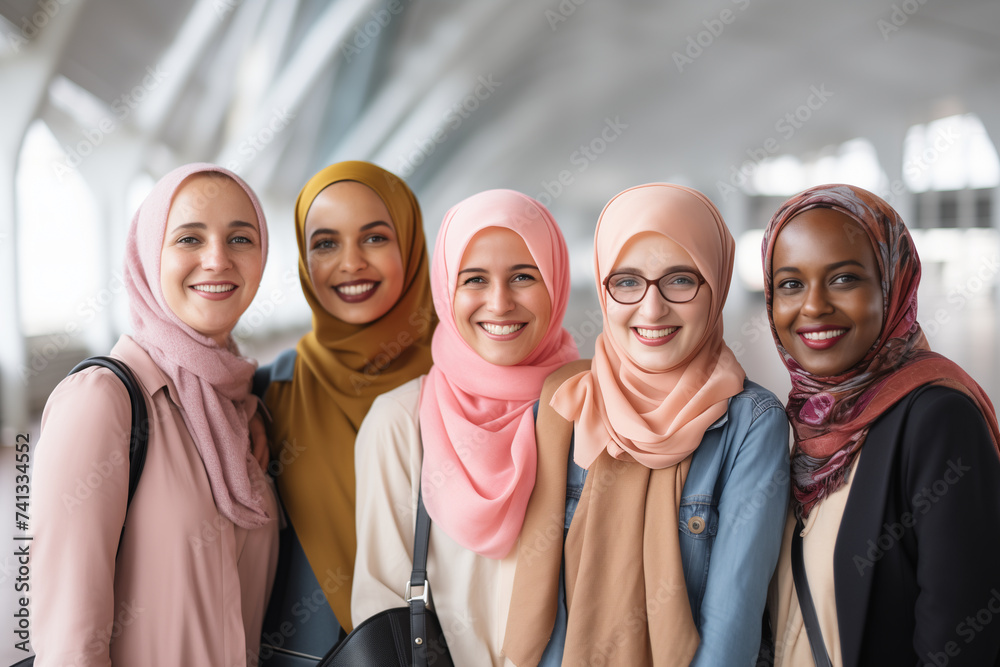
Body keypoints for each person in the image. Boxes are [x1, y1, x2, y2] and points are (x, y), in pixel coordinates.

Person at [504, 183, 790, 666]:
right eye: (627, 282)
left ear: (717, 283)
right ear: (603, 290)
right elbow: (544, 603)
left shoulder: (752, 424)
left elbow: (730, 628)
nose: (652, 308)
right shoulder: (563, 405)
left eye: (680, 280)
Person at [31, 163, 279, 665]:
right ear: (148, 256)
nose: (217, 259)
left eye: (240, 238)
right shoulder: (102, 401)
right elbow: (68, 649)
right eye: (189, 239)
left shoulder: (239, 406)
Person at [762, 184, 1000, 666]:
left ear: (893, 285)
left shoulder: (938, 419)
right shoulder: (792, 425)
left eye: (844, 279)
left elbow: (960, 643)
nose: (813, 307)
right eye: (790, 284)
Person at [351, 189, 579, 666]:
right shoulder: (400, 421)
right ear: (445, 289)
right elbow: (381, 606)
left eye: (523, 276)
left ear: (557, 282)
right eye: (474, 279)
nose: (499, 302)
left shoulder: (589, 409)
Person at [259, 161, 436, 644]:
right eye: (325, 244)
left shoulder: (471, 380)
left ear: (410, 244)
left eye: (375, 238)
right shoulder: (270, 394)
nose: (351, 262)